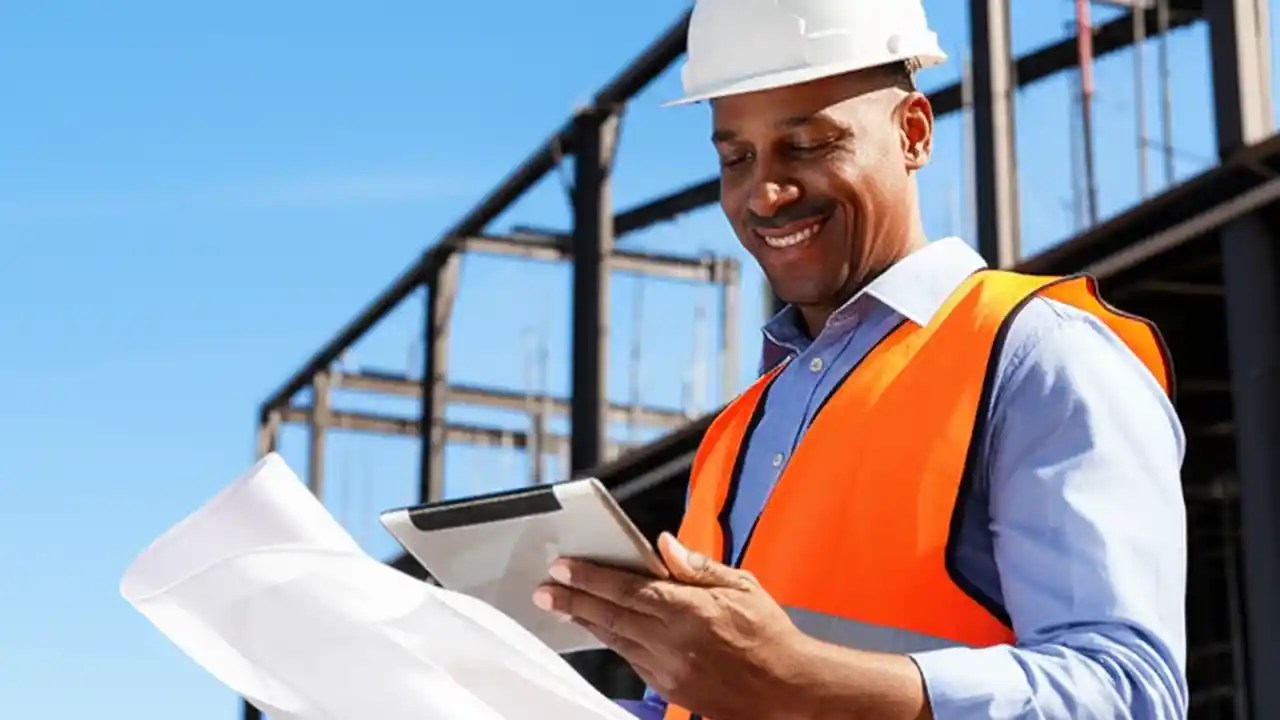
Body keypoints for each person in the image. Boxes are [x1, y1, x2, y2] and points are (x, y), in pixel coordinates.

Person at [532, 1, 1188, 718]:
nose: (765, 193)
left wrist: (805, 681)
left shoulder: (1038, 354)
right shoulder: (740, 430)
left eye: (808, 145)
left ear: (912, 132)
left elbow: (1129, 695)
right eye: (734, 159)